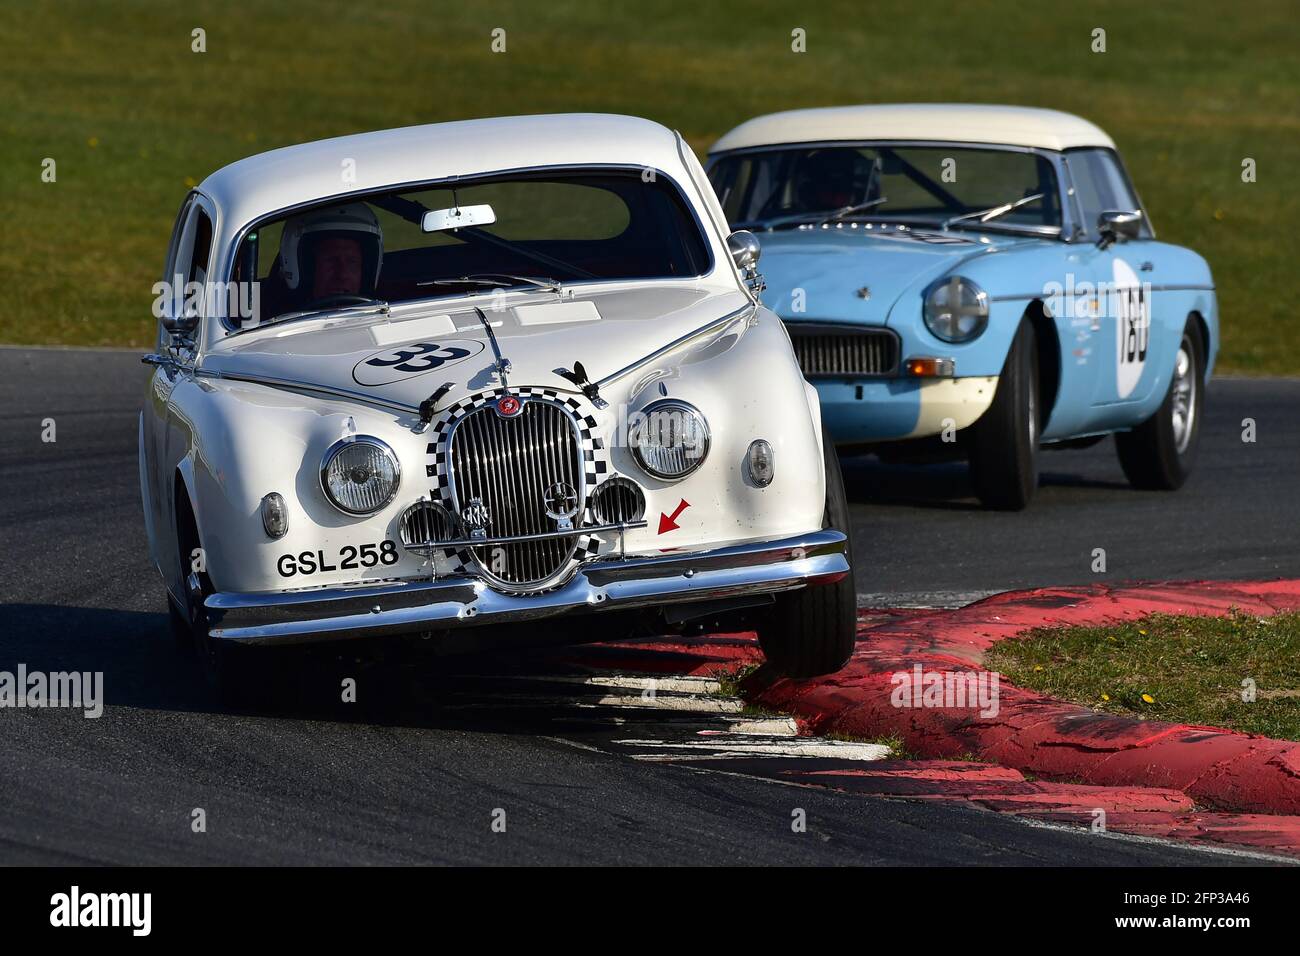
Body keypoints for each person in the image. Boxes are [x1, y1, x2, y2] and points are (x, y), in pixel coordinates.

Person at [275, 203, 384, 309]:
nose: (342, 275)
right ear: (306, 267)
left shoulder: (387, 317)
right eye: (331, 261)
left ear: (367, 271)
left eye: (352, 262)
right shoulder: (268, 320)